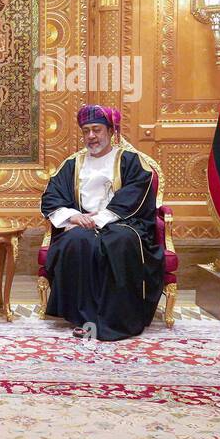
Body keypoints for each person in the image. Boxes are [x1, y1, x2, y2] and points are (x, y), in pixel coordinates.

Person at [40, 104, 164, 341]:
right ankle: (84, 318)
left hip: (122, 222)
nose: (91, 136)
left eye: (96, 130)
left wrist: (100, 219)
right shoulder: (73, 165)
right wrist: (73, 216)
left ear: (110, 130)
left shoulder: (130, 161)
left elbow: (136, 193)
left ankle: (117, 320)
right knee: (76, 242)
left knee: (119, 243)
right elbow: (52, 195)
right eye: (86, 131)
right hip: (82, 223)